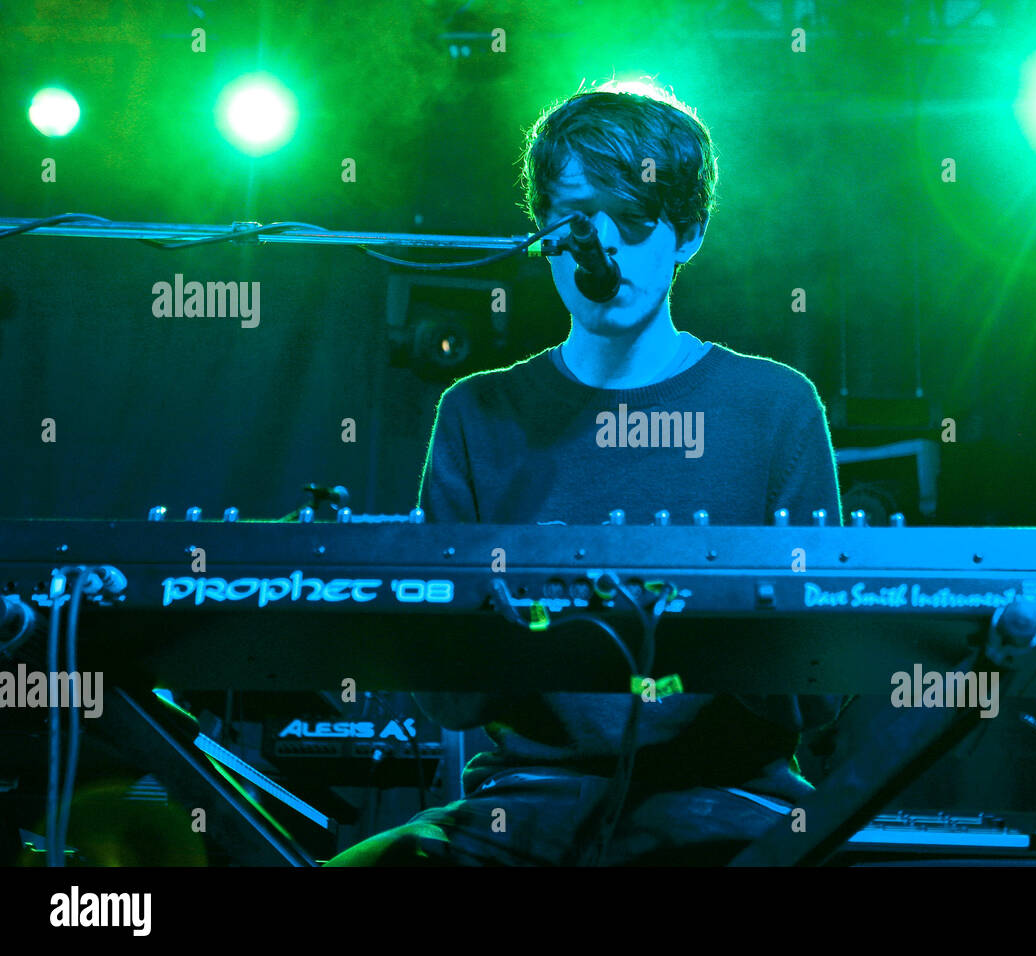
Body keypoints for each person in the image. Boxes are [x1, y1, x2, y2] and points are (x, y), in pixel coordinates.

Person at [326, 82, 844, 866]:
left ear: (688, 235)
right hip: (528, 803)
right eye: (577, 221)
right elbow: (449, 697)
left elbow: (819, 691)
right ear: (545, 234)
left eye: (633, 221)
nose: (603, 249)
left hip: (734, 804)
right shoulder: (479, 413)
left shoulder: (774, 407)